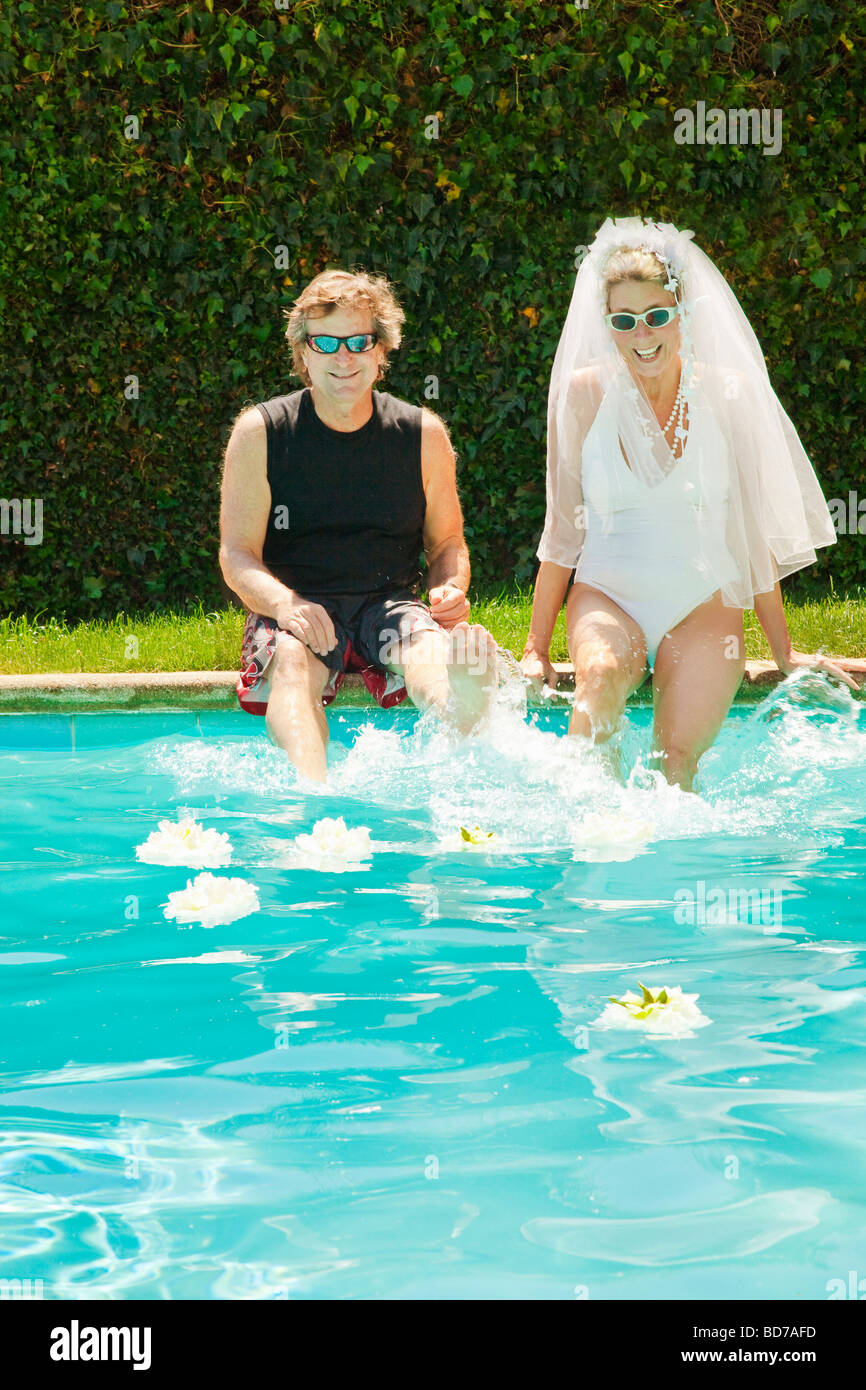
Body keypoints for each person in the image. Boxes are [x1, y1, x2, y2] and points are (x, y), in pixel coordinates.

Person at [521, 216, 856, 790]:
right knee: (598, 674)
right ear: (607, 326)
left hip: (703, 605)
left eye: (656, 316)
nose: (642, 334)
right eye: (624, 321)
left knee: (673, 765)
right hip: (608, 597)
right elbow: (563, 532)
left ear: (683, 314)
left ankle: (666, 868)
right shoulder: (582, 394)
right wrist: (535, 647)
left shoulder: (729, 392)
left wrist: (785, 651)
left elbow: (749, 531)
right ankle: (592, 835)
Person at [220, 269, 497, 782]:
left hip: (388, 601)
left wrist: (450, 588)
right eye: (325, 342)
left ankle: (462, 694)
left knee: (427, 647)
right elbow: (237, 555)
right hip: (297, 606)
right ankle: (313, 794)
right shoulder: (261, 432)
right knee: (291, 664)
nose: (343, 357)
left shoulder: (421, 434)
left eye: (358, 341)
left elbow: (447, 544)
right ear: (303, 353)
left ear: (380, 351)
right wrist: (285, 605)